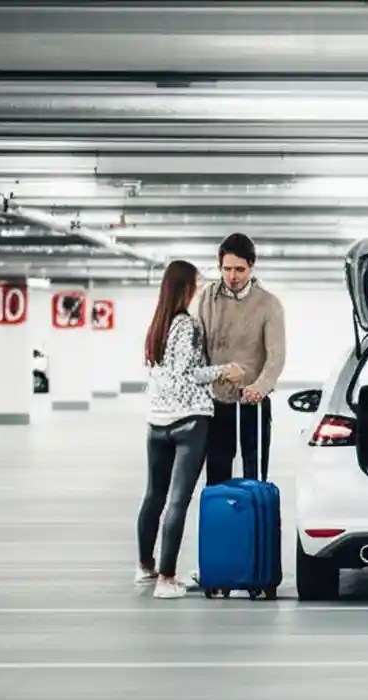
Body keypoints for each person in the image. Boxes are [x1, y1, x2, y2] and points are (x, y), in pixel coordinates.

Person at [136, 259, 245, 599]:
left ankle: (145, 566)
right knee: (178, 500)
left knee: (154, 495)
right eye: (195, 284)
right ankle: (167, 580)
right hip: (189, 422)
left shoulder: (157, 325)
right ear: (184, 288)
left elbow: (162, 372)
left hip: (157, 421)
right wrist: (224, 370)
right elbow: (188, 372)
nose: (198, 289)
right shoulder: (185, 325)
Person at [193, 232, 286, 486]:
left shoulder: (268, 304)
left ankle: (253, 519)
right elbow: (198, 347)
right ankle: (222, 519)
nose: (232, 276)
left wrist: (261, 386)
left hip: (253, 400)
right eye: (226, 269)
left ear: (251, 268)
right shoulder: (207, 298)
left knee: (254, 468)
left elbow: (276, 355)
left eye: (239, 269)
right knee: (217, 466)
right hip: (217, 399)